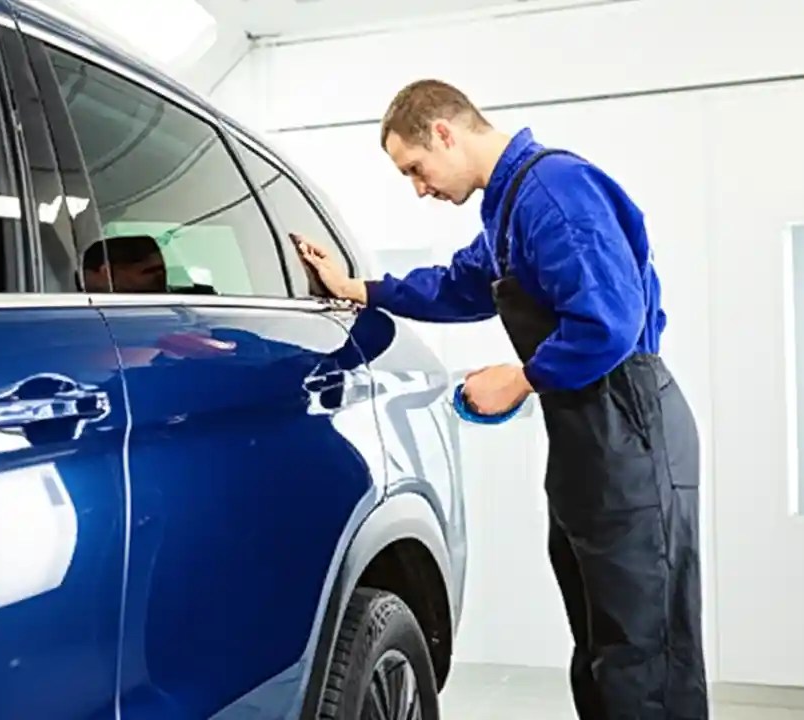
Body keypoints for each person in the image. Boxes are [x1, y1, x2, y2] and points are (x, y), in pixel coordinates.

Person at [293, 79, 708, 719]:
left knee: (642, 651)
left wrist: (518, 379)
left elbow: (608, 322)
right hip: (588, 437)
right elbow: (456, 287)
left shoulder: (555, 191)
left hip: (629, 428)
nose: (419, 187)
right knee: (600, 641)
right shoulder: (511, 207)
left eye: (415, 169)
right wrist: (361, 289)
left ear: (444, 133)